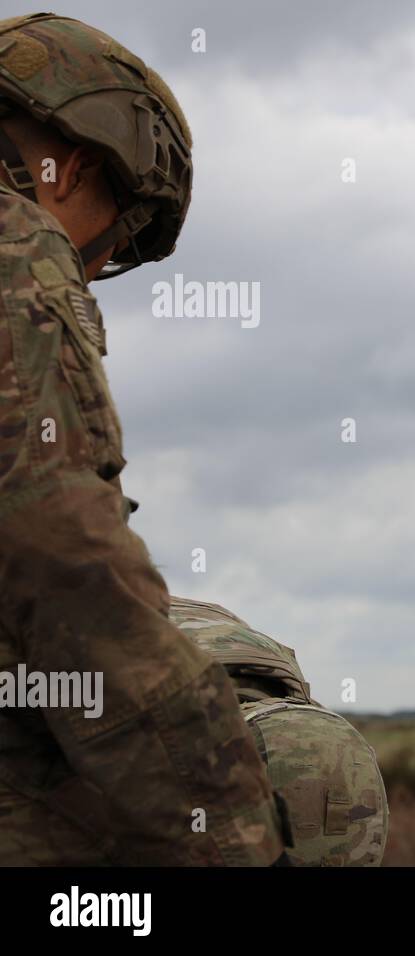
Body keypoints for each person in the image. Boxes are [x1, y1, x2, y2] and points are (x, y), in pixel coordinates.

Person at [0, 13, 285, 865]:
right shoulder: (19, 244)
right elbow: (63, 557)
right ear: (75, 166)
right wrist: (231, 833)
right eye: (115, 237)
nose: (94, 266)